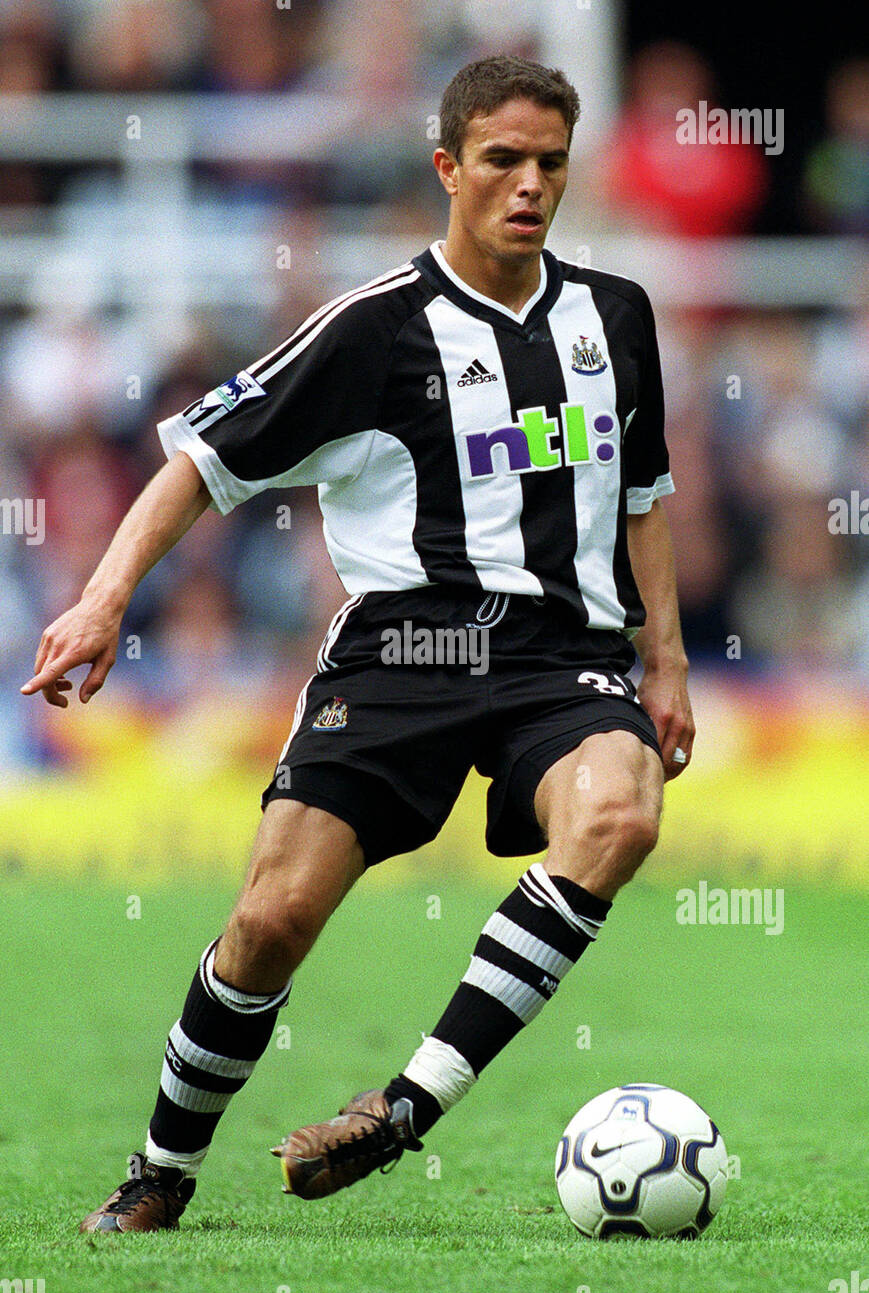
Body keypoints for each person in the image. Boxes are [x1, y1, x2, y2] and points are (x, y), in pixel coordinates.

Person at [22, 55, 694, 1232]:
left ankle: (405, 1106)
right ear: (447, 167)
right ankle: (159, 1172)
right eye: (500, 160)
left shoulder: (614, 315)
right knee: (271, 920)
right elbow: (201, 459)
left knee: (620, 814)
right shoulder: (374, 330)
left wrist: (668, 664)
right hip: (404, 652)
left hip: (560, 656)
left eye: (549, 163)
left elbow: (641, 492)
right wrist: (103, 597)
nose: (528, 184)